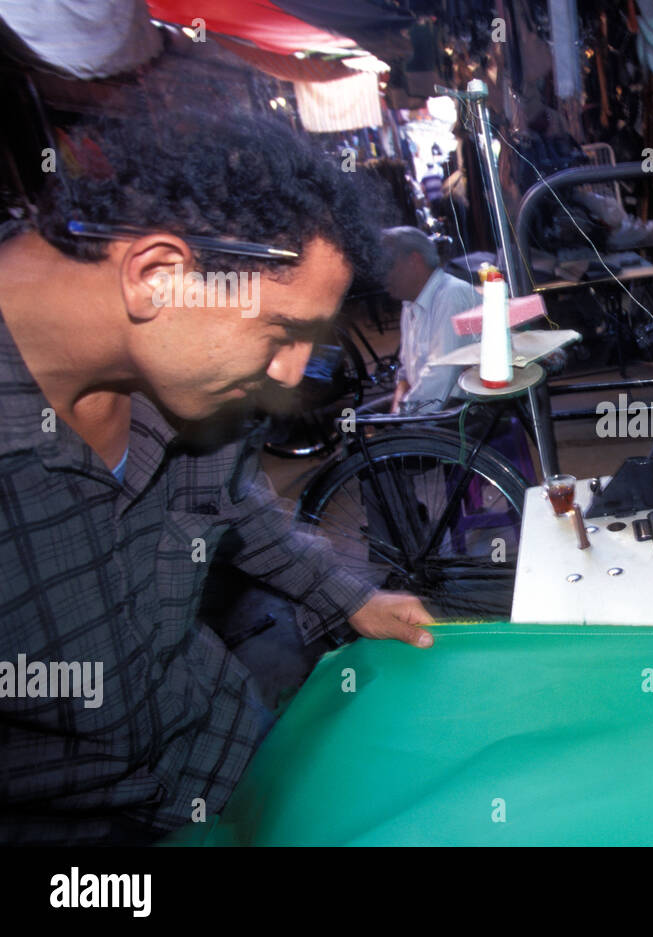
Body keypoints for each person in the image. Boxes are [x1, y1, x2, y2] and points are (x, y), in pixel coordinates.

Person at [0, 113, 440, 845]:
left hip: (228, 754)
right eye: (282, 334)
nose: (290, 375)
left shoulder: (193, 385)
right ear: (159, 276)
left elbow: (234, 502)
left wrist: (354, 598)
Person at [382, 226, 478, 414]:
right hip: (429, 402)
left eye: (388, 266)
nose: (383, 276)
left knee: (363, 432)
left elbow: (440, 377)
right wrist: (397, 408)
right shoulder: (410, 302)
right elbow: (405, 372)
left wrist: (397, 420)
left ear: (414, 261)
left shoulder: (450, 295)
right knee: (350, 423)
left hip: (461, 409)